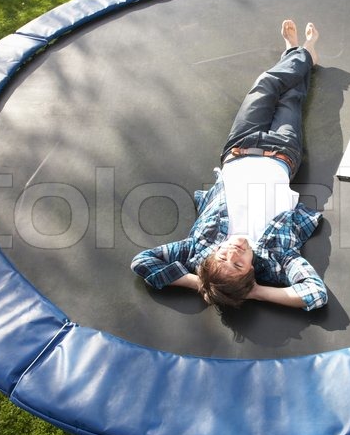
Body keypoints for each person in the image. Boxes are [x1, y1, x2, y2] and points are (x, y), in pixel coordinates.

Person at [131, 20, 327, 311]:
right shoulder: (277, 257)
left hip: (239, 146)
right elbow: (315, 294)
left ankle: (301, 53)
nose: (232, 252)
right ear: (251, 272)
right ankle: (303, 52)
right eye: (238, 264)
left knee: (266, 85)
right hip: (283, 152)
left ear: (209, 260)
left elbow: (142, 262)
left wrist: (207, 286)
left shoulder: (199, 247)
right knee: (292, 99)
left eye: (222, 258)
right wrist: (255, 292)